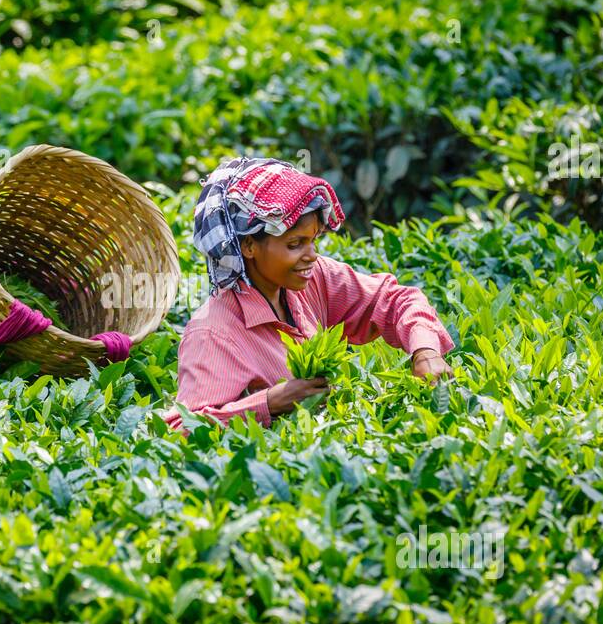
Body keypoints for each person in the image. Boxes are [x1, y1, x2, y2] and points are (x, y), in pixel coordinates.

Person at [160, 155, 455, 433]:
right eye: (295, 244)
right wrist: (268, 403)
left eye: (313, 240)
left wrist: (425, 351)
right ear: (248, 246)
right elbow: (181, 428)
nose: (311, 255)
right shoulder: (213, 333)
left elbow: (392, 299)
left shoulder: (312, 280)